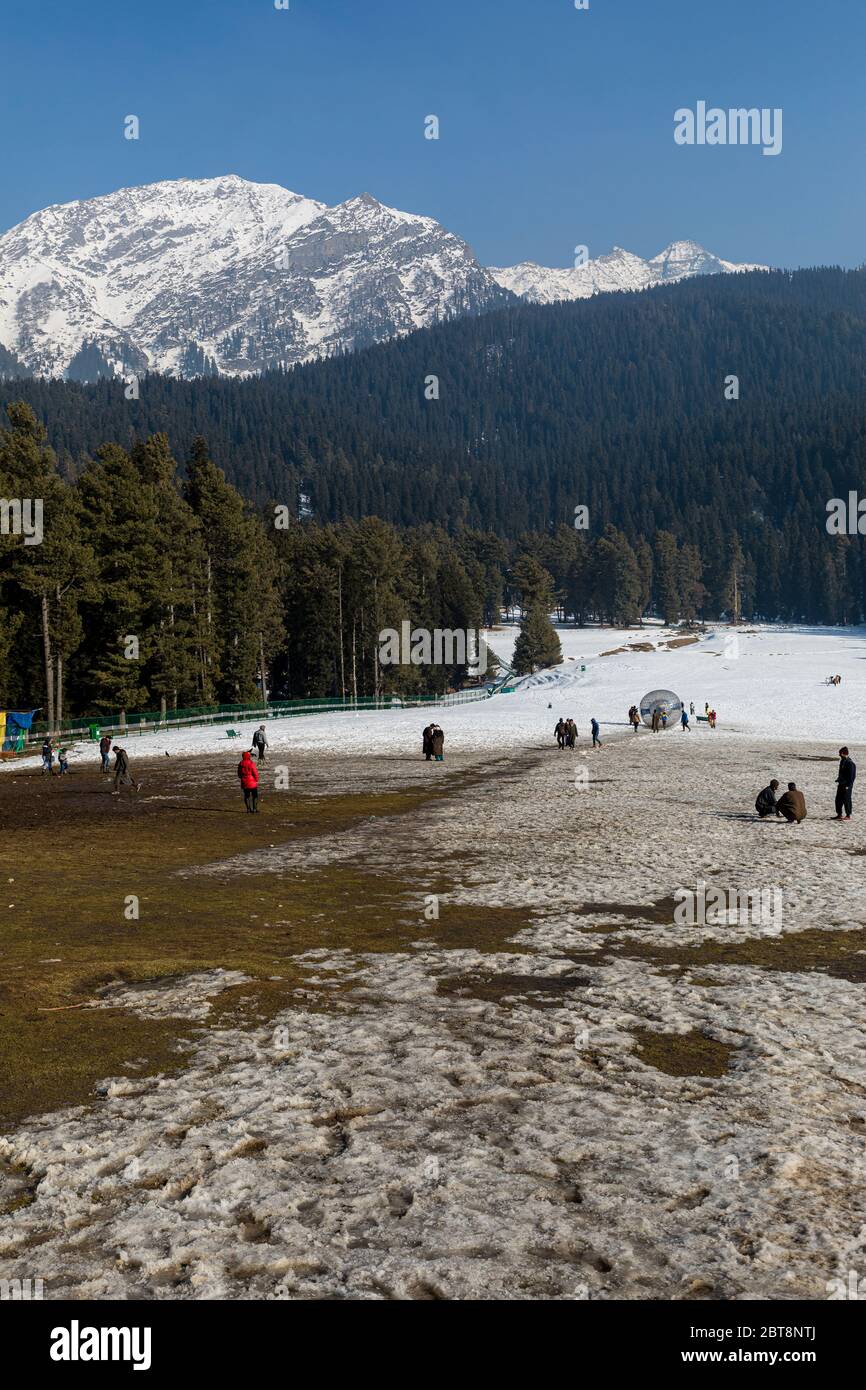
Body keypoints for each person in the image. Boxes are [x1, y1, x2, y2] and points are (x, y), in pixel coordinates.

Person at [835, 746, 856, 820]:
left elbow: (852, 776)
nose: (839, 755)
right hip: (841, 783)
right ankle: (839, 814)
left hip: (847, 785)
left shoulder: (850, 763)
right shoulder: (842, 761)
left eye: (840, 753)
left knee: (847, 800)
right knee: (838, 799)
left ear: (844, 753)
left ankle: (848, 815)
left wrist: (848, 785)